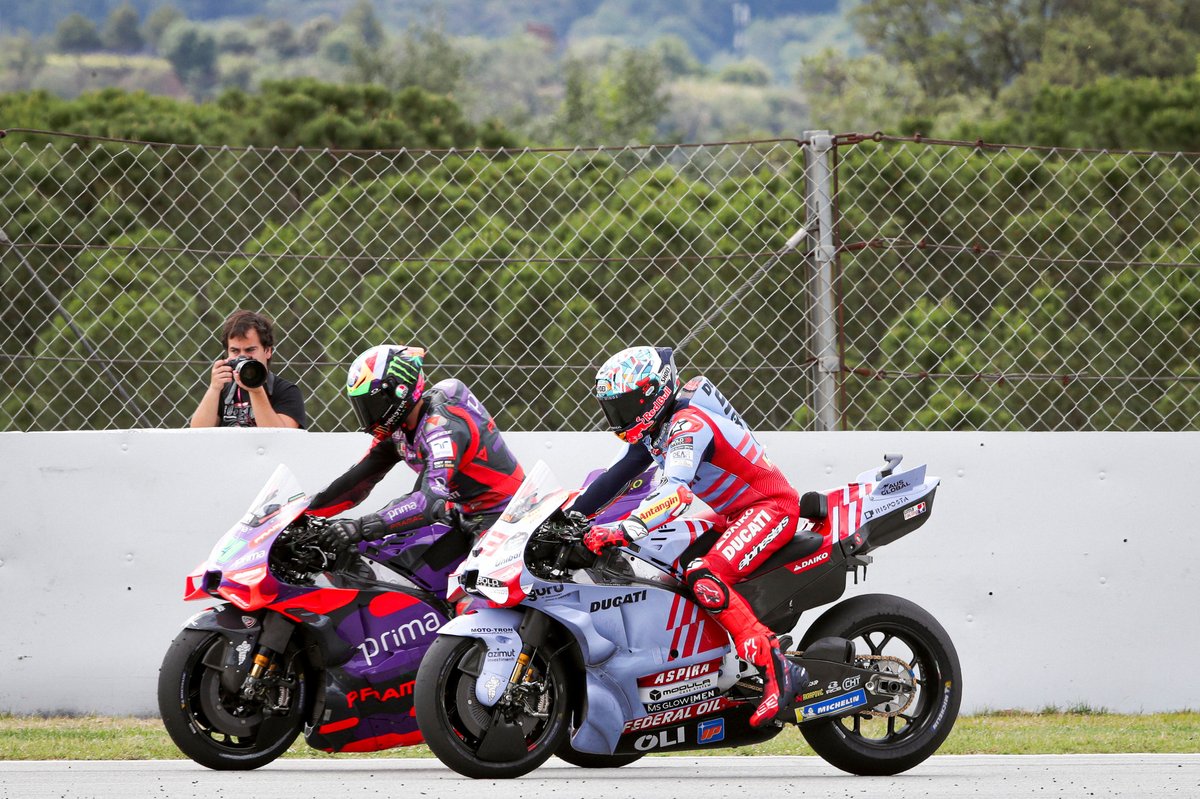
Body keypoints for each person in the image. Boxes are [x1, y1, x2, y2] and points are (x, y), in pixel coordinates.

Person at [570, 345, 807, 728]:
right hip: (733, 511)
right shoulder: (654, 432)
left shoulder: (687, 425)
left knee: (702, 573)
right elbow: (611, 481)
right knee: (660, 562)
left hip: (771, 506)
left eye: (625, 404)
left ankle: (777, 668)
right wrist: (567, 518)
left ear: (654, 394)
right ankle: (705, 667)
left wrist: (623, 527)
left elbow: (676, 493)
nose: (618, 416)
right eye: (612, 407)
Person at [310, 345, 525, 581]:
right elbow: (357, 480)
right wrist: (303, 514)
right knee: (410, 572)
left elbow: (427, 502)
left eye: (371, 405)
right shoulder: (400, 429)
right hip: (460, 512)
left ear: (399, 391)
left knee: (474, 598)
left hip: (503, 513)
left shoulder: (441, 427)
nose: (368, 415)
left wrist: (359, 528)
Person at [189, 310, 306, 429]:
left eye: (250, 350)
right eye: (235, 351)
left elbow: (280, 438)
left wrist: (257, 391)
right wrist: (214, 388)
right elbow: (198, 432)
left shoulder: (285, 391)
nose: (242, 357)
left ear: (267, 351)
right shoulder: (223, 390)